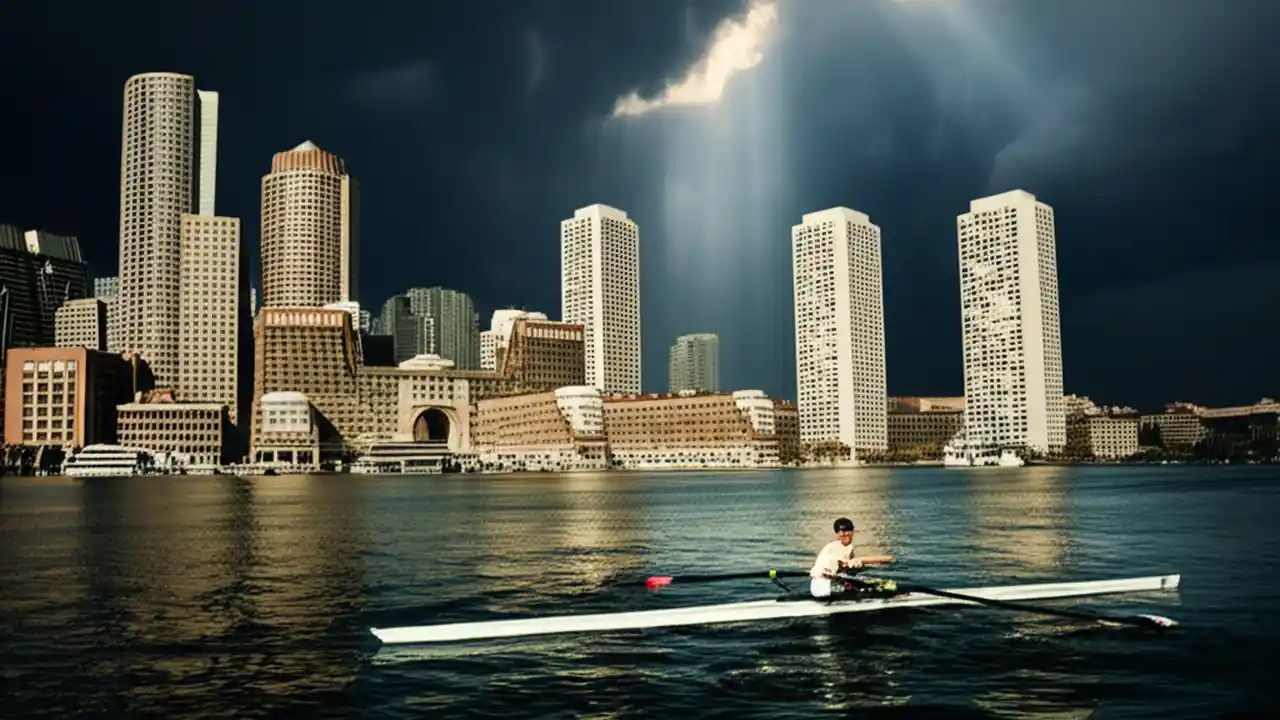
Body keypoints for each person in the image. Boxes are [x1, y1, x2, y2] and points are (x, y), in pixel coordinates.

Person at [809, 517, 894, 598]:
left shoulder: (849, 547)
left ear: (853, 532)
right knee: (868, 588)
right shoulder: (832, 547)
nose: (846, 534)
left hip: (824, 585)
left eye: (849, 531)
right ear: (837, 533)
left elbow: (848, 567)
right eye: (842, 532)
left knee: (862, 581)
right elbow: (846, 562)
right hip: (823, 586)